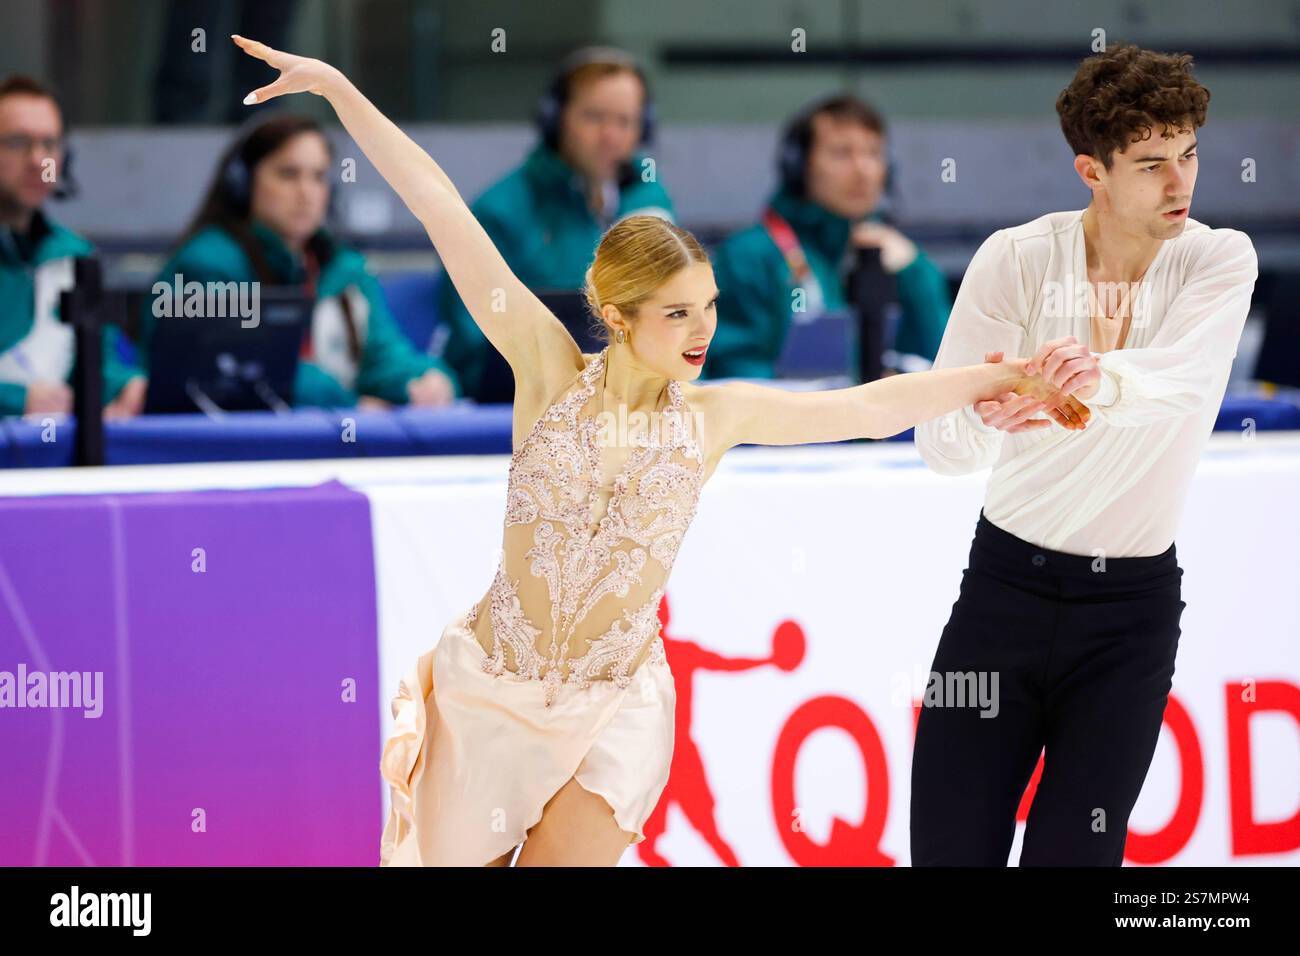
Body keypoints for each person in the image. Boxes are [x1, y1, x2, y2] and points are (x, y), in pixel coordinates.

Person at [230, 33, 1081, 867]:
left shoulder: (713, 417)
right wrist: (340, 90)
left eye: (707, 307)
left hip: (617, 709)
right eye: (678, 313)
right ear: (619, 313)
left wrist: (995, 380)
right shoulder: (544, 368)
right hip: (490, 698)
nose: (704, 330)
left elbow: (868, 406)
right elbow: (438, 204)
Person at [910, 43, 1259, 866]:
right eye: (1150, 164)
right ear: (1090, 170)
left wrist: (1089, 379)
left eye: (1189, 155)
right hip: (1000, 602)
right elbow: (941, 447)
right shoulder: (1016, 259)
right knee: (950, 851)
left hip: (1129, 621)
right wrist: (987, 415)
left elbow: (1181, 380)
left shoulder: (1219, 258)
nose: (1180, 184)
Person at [141, 113, 459, 410]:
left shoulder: (345, 269)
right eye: (288, 174)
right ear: (242, 183)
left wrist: (424, 379)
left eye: (318, 176)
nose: (306, 192)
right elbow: (252, 375)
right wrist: (351, 406)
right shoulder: (207, 264)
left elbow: (384, 356)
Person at [436, 47, 676, 402]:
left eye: (625, 122)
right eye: (594, 117)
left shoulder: (650, 200)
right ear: (556, 119)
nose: (611, 135)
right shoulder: (499, 212)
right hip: (523, 415)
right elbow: (470, 353)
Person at [702, 93, 951, 380]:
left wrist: (917, 274)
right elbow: (730, 372)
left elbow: (941, 362)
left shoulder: (896, 257)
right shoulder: (749, 256)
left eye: (873, 153)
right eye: (842, 153)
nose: (863, 171)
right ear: (800, 167)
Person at [0, 74, 145, 419]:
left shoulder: (75, 255)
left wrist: (126, 386)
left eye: (50, 144)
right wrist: (14, 400)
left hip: (51, 463)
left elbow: (99, 363)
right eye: (18, 142)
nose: (39, 161)